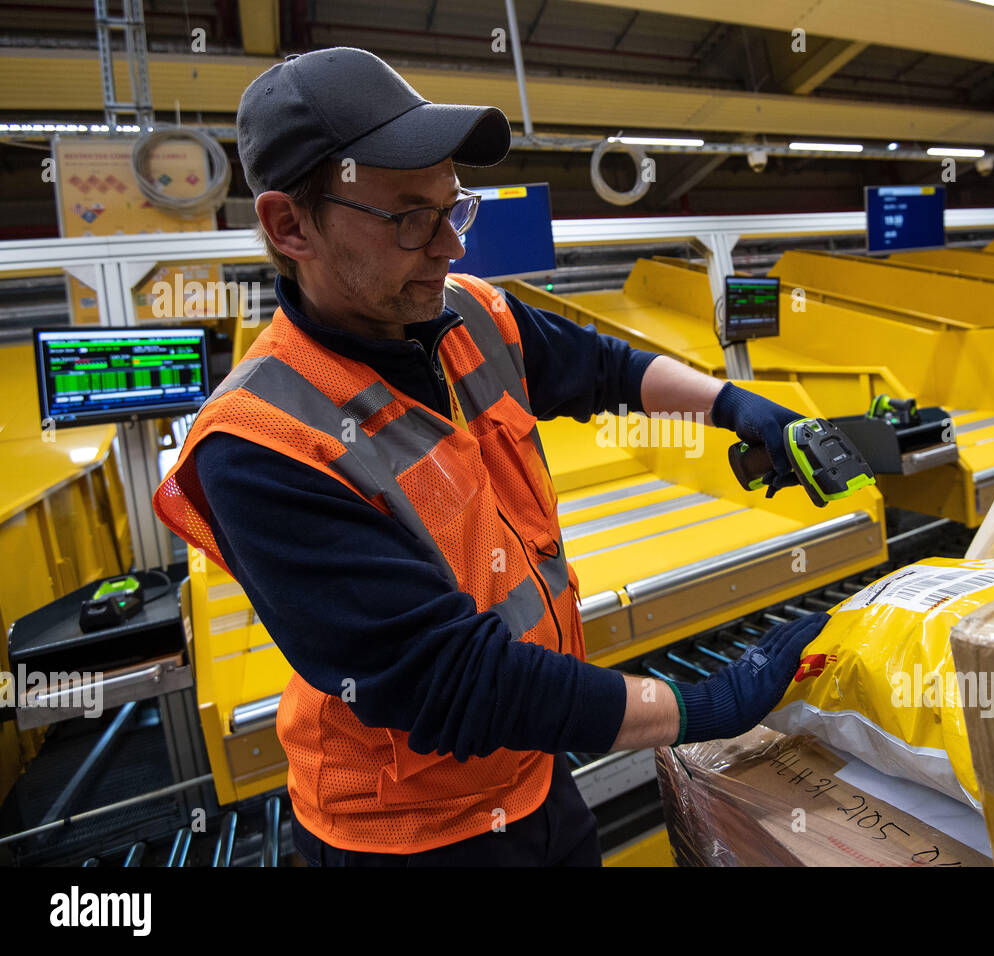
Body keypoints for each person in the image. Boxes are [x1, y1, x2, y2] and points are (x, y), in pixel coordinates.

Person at [153, 47, 829, 867]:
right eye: (409, 217)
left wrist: (735, 407)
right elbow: (447, 676)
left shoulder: (468, 315)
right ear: (290, 225)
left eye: (453, 208)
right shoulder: (260, 442)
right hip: (408, 830)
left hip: (534, 770)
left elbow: (605, 367)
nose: (449, 247)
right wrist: (702, 703)